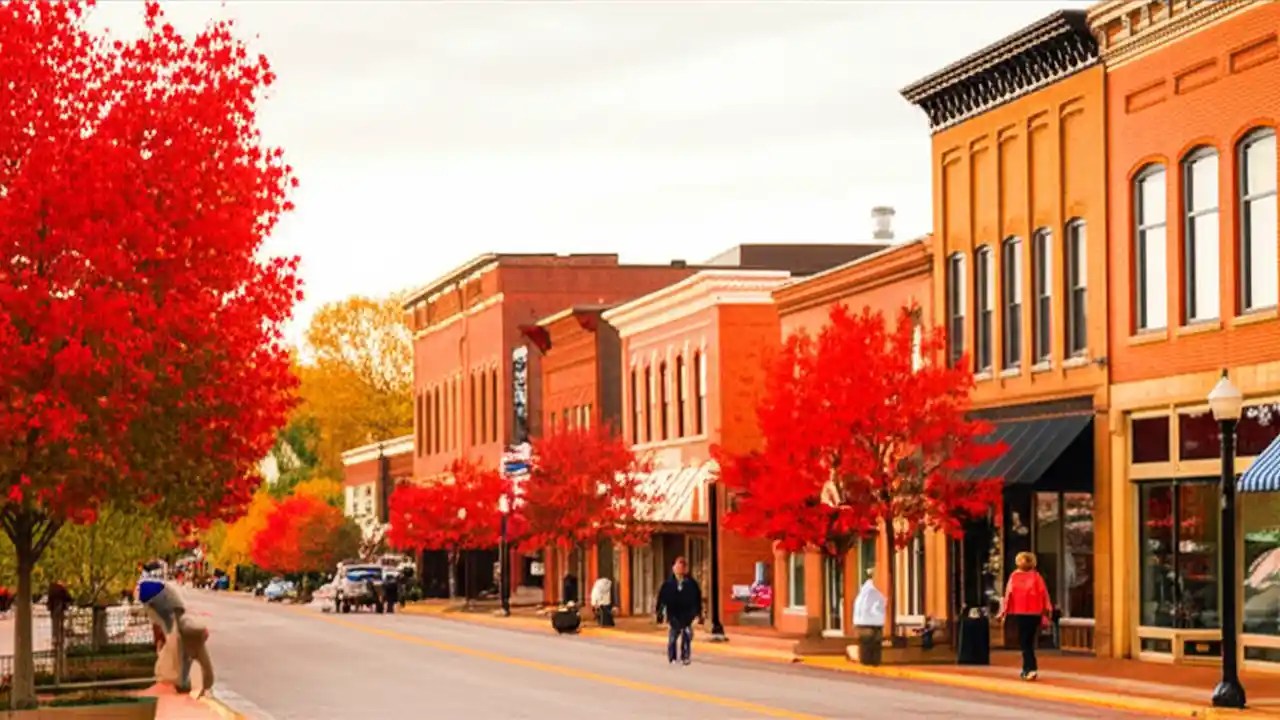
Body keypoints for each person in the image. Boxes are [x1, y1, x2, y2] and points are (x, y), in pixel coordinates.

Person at [998, 551, 1053, 681]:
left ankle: (1029, 669)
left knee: (1024, 643)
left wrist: (1003, 612)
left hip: (1020, 612)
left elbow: (1008, 596)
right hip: (1035, 613)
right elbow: (1044, 594)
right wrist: (1047, 610)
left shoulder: (1014, 577)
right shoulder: (1036, 577)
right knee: (1029, 641)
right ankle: (1029, 668)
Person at [655, 556, 702, 665]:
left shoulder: (691, 584)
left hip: (687, 615)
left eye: (682, 567)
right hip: (673, 614)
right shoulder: (668, 584)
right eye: (678, 567)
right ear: (674, 568)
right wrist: (660, 613)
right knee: (673, 637)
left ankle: (685, 656)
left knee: (687, 637)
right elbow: (662, 599)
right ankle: (672, 657)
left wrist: (698, 614)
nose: (680, 569)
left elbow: (697, 599)